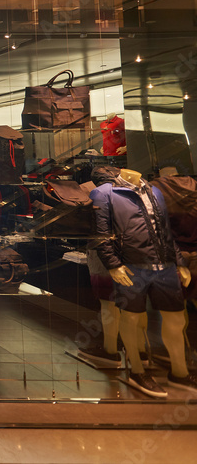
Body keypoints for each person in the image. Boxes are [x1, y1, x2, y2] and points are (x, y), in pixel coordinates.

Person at [91, 168, 197, 398]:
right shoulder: (104, 193)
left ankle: (179, 371)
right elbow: (101, 234)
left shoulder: (154, 191)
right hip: (131, 264)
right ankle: (136, 370)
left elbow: (164, 229)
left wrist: (179, 262)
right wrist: (113, 264)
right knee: (131, 316)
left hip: (164, 265)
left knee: (176, 317)